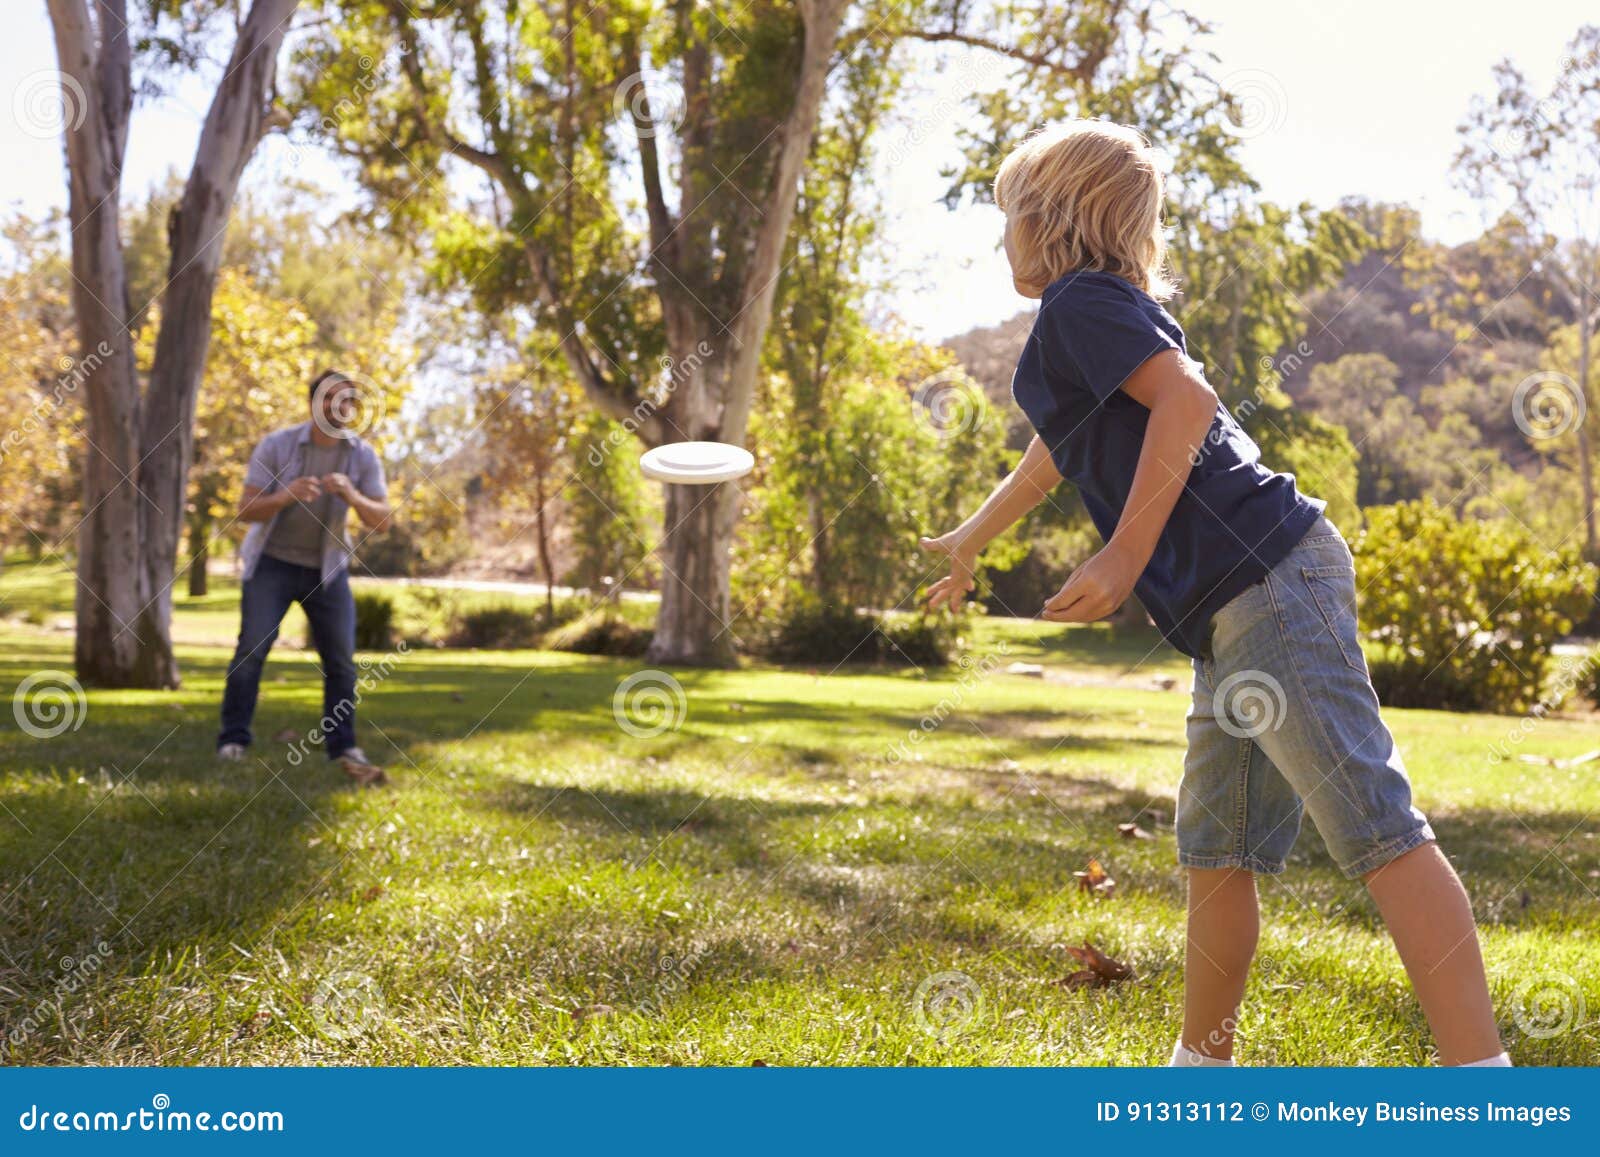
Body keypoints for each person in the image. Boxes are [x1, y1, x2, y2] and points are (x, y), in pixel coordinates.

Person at [920, 122, 1508, 1067]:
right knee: (1218, 851)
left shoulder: (1080, 304)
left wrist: (1120, 557)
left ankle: (1485, 1088)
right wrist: (971, 538)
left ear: (1054, 219)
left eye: (1010, 220)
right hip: (1231, 608)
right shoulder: (1093, 318)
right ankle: (1201, 1076)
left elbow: (1187, 405)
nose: (1002, 243)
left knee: (1378, 828)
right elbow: (1054, 452)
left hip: (1269, 578)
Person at [216, 370, 393, 785]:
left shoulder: (362, 457)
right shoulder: (277, 445)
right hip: (272, 565)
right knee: (251, 651)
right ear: (313, 403)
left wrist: (353, 495)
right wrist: (284, 495)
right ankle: (233, 739)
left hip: (327, 570)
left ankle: (342, 744)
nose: (339, 406)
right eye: (330, 398)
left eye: (347, 400)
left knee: (341, 663)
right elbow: (245, 510)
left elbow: (383, 521)